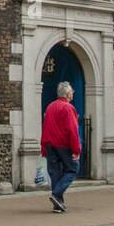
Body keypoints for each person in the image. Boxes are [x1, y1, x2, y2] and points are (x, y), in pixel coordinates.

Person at [41, 82, 82, 213]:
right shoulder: (68, 108)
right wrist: (76, 149)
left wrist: (44, 146)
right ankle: (56, 194)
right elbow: (72, 131)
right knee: (73, 168)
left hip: (49, 144)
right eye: (72, 93)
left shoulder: (50, 107)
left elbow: (45, 127)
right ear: (68, 94)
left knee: (55, 173)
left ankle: (58, 204)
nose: (72, 95)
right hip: (63, 145)